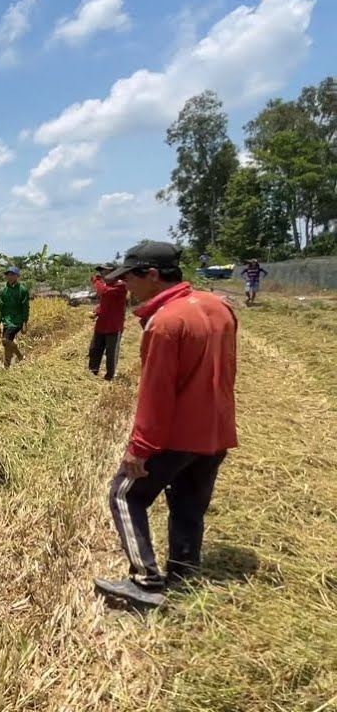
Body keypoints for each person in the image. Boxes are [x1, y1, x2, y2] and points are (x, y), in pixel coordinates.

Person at [93, 241, 238, 610]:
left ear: (152, 275)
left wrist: (139, 450)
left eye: (130, 278)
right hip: (216, 429)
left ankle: (146, 582)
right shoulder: (219, 307)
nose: (125, 286)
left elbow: (156, 396)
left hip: (177, 434)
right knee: (189, 502)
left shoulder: (165, 323)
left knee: (125, 495)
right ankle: (184, 572)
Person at [88, 264, 128, 381]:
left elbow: (103, 292)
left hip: (113, 326)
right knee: (95, 349)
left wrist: (96, 281)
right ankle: (92, 372)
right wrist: (97, 311)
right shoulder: (108, 285)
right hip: (101, 324)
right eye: (102, 273)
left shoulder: (121, 285)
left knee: (111, 353)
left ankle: (110, 376)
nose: (103, 275)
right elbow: (106, 302)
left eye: (106, 272)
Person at [0, 266, 30, 368]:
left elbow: (25, 307)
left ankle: (19, 356)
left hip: (18, 320)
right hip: (7, 320)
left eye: (12, 274)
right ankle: (7, 366)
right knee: (6, 344)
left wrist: (25, 323)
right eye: (8, 274)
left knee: (5, 340)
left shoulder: (22, 290)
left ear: (17, 276)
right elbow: (1, 306)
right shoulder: (3, 291)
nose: (9, 277)